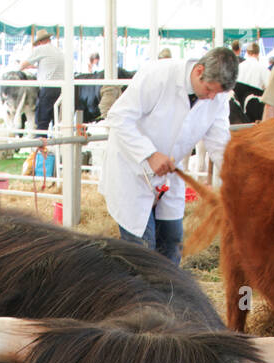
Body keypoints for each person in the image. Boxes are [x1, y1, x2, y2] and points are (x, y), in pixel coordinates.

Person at [100, 47, 235, 266]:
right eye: (209, 89)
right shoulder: (158, 75)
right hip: (133, 171)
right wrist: (149, 154)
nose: (211, 97)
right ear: (199, 70)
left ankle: (170, 299)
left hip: (169, 176)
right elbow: (118, 117)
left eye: (216, 93)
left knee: (172, 244)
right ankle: (143, 299)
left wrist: (236, 179)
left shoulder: (218, 98)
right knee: (144, 250)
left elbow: (220, 142)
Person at [20, 31, 66, 133]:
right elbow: (50, 66)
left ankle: (41, 146)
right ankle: (56, 146)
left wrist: (20, 67)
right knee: (57, 121)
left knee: (41, 121)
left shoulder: (41, 49)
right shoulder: (58, 51)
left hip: (48, 88)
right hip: (62, 89)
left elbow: (22, 65)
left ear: (40, 42)